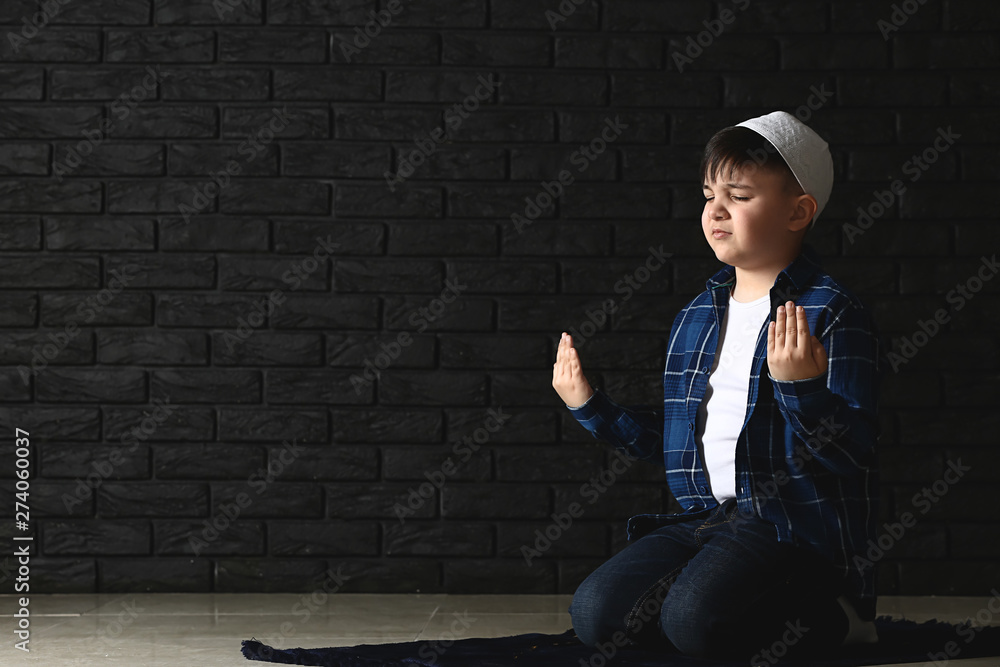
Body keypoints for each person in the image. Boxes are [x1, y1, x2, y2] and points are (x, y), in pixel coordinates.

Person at [551, 110, 885, 660]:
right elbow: (677, 441)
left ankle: (838, 615)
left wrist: (802, 388)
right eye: (709, 195)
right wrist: (589, 406)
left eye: (740, 195)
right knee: (596, 615)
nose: (716, 210)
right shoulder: (697, 317)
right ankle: (718, 602)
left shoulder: (831, 313)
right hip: (708, 517)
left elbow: (853, 450)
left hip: (786, 526)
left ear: (798, 211)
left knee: (692, 622)